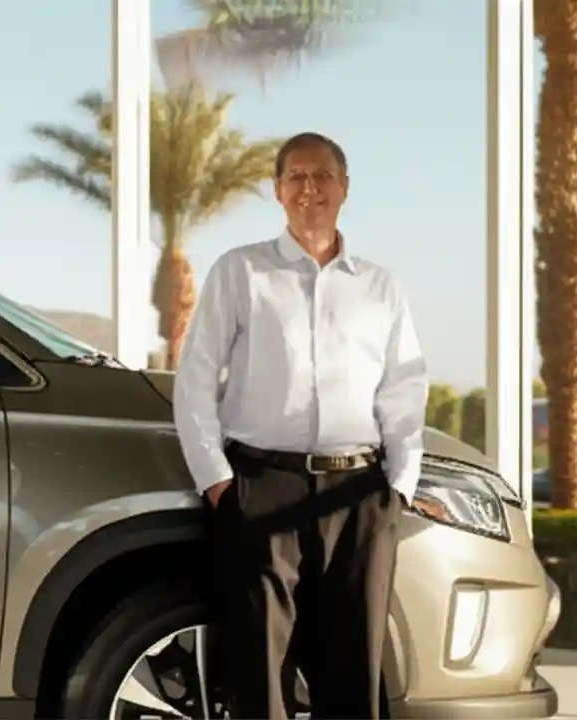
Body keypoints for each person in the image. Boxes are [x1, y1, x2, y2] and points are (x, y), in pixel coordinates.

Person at [172, 131, 429, 720]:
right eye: (295, 177)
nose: (308, 188)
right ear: (277, 190)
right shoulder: (240, 272)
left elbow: (404, 390)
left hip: (360, 496)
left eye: (322, 176)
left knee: (354, 675)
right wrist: (218, 483)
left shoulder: (380, 286)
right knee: (260, 673)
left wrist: (400, 486)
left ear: (344, 187)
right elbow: (195, 381)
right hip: (262, 489)